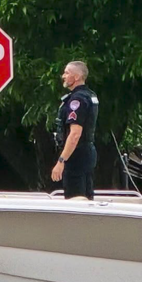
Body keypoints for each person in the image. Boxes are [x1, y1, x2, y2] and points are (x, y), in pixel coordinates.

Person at [51, 61, 99, 200]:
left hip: (76, 154)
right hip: (87, 151)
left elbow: (75, 134)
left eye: (67, 73)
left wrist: (61, 160)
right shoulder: (90, 95)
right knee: (87, 197)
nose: (63, 76)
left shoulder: (77, 100)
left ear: (77, 77)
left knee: (75, 200)